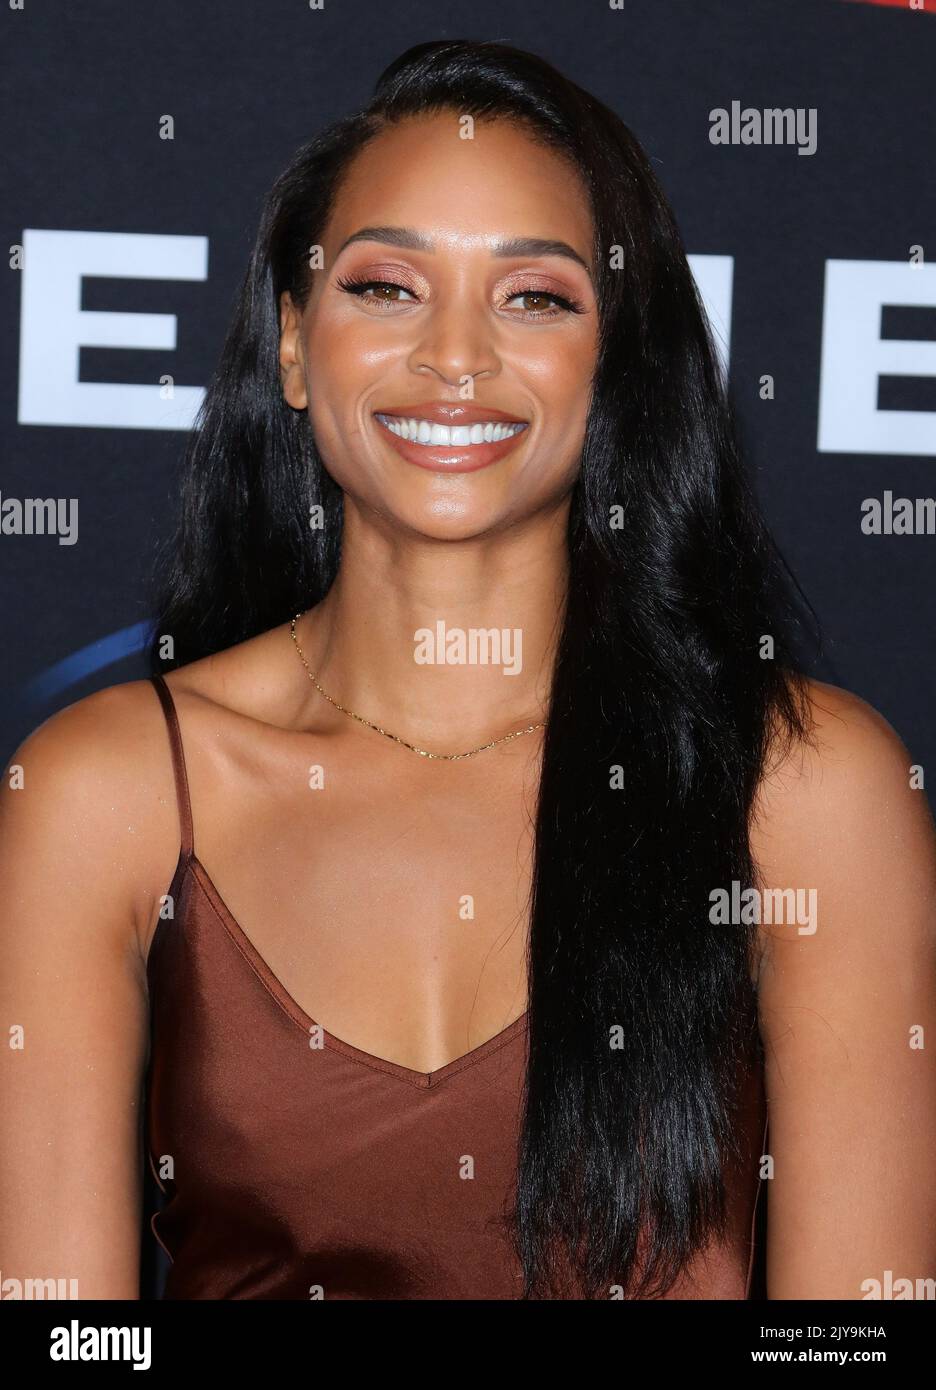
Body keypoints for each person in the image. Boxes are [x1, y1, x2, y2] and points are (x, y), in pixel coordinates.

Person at [1, 39, 934, 1301]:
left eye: (536, 297)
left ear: (616, 369)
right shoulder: (98, 791)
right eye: (386, 286)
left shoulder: (804, 791)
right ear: (291, 340)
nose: (456, 357)